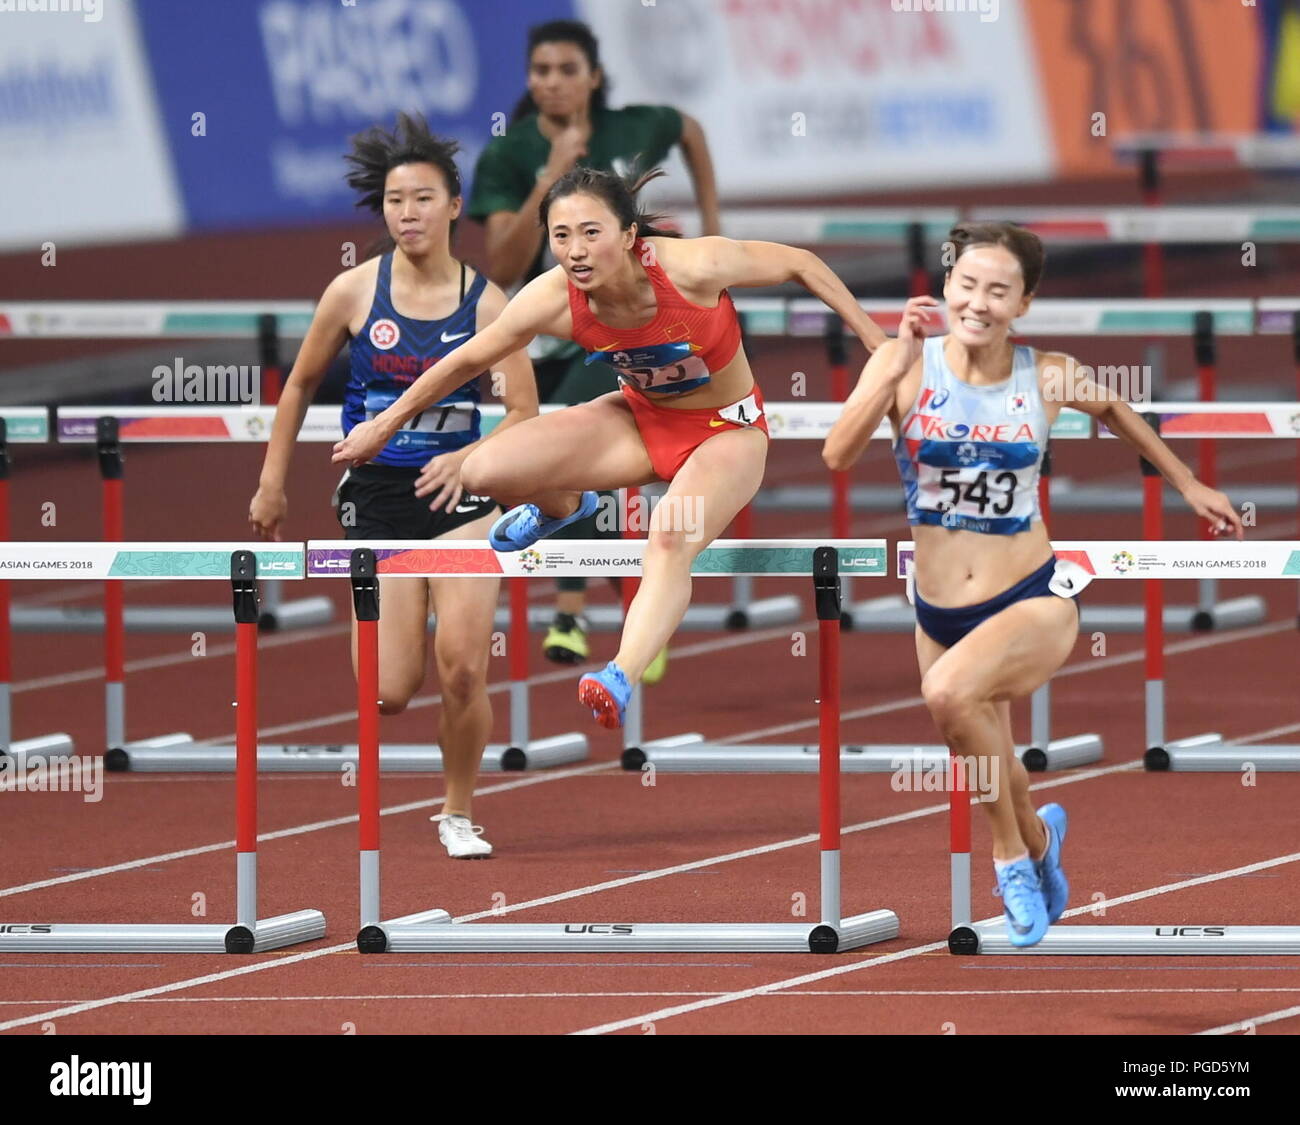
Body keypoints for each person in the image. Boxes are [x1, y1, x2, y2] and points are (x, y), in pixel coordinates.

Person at [332, 166, 887, 732]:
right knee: (481, 470)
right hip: (640, 422)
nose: (575, 251)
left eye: (591, 233)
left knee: (669, 535)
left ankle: (620, 673)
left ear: (628, 236)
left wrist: (874, 340)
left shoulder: (694, 266)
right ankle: (565, 508)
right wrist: (386, 423)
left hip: (726, 432)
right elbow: (469, 359)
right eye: (561, 235)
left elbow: (802, 262)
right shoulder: (552, 296)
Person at [822, 221, 1244, 946]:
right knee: (990, 759)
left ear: (1024, 304)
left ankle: (1011, 859)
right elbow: (837, 452)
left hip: (1031, 598)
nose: (978, 302)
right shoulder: (905, 363)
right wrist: (890, 369)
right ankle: (1043, 840)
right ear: (945, 287)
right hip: (936, 611)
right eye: (967, 285)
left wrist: (1187, 480)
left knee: (949, 695)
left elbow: (1114, 408)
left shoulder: (1045, 373)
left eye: (998, 290)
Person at [249, 113, 538, 859]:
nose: (406, 213)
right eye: (394, 200)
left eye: (421, 198)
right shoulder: (352, 292)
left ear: (452, 207)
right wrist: (272, 482)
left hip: (462, 501)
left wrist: (471, 460)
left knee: (465, 668)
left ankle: (458, 810)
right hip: (377, 499)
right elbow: (299, 384)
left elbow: (524, 414)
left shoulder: (488, 303)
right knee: (389, 689)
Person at [468, 18, 723, 676]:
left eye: (566, 70)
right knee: (545, 469)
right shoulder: (507, 152)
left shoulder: (633, 128)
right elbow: (503, 260)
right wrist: (548, 178)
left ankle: (571, 611)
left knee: (576, 455)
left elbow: (688, 129)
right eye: (541, 72)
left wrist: (713, 228)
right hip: (543, 330)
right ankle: (637, 605)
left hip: (622, 335)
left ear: (594, 77)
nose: (552, 83)